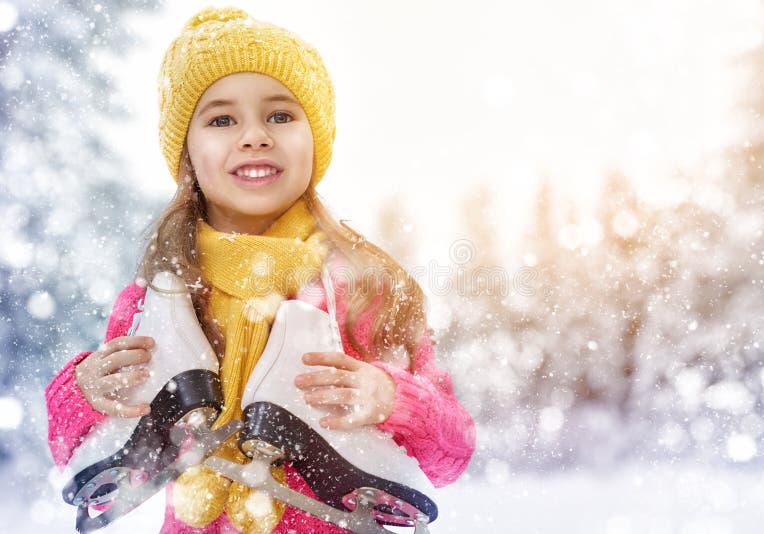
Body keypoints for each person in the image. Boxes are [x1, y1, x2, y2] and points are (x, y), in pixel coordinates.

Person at [45, 6, 476, 533]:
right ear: (188, 152)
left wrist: (392, 400)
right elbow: (66, 446)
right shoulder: (156, 301)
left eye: (280, 115)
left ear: (314, 139)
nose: (254, 136)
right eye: (222, 119)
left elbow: (452, 453)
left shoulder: (364, 289)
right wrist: (81, 392)